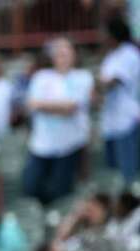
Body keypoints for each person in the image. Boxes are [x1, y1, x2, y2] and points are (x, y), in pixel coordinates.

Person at [23, 38, 93, 204]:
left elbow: (71, 107)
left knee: (60, 195)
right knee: (31, 188)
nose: (63, 57)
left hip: (69, 146)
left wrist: (44, 106)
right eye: (59, 54)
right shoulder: (41, 77)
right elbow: (32, 104)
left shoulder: (83, 77)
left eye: (66, 53)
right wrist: (58, 107)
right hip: (41, 145)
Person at [99, 15, 140, 184]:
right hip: (111, 121)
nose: (102, 37)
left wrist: (92, 83)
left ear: (113, 34)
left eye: (105, 33)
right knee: (113, 172)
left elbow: (112, 83)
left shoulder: (129, 53)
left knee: (127, 173)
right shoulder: (111, 56)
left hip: (127, 121)